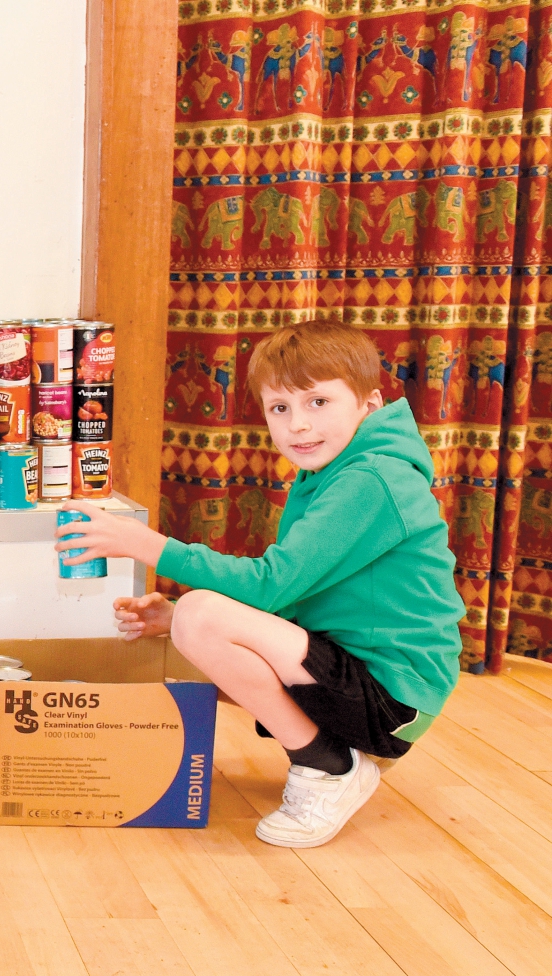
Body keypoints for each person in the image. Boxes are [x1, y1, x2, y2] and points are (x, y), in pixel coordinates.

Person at [56, 320, 463, 848]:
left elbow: (272, 586)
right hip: (356, 673)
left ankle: (329, 768)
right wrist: (174, 616)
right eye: (280, 408)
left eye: (318, 403)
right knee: (193, 631)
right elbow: (293, 597)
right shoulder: (333, 472)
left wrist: (145, 545)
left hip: (393, 698)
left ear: (369, 403)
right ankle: (335, 754)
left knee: (204, 618)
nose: (298, 425)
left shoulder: (372, 479)